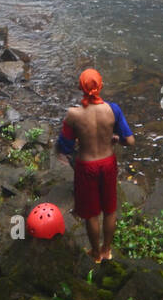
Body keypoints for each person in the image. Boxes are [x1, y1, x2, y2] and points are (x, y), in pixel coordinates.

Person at [56, 68, 134, 263]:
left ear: (80, 88)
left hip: (86, 166)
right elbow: (130, 141)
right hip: (108, 163)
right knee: (110, 210)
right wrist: (115, 138)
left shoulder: (73, 114)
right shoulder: (113, 109)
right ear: (101, 87)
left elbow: (65, 146)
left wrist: (78, 138)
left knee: (91, 213)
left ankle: (95, 253)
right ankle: (107, 250)